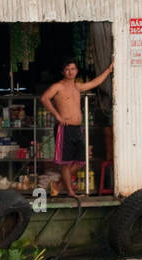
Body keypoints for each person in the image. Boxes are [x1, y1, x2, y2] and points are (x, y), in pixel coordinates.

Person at [40, 57, 113, 198]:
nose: (70, 72)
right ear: (63, 72)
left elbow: (94, 83)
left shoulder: (77, 86)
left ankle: (59, 184)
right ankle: (70, 192)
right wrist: (57, 116)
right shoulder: (58, 86)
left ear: (76, 71)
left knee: (80, 161)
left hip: (77, 129)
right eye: (67, 69)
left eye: (72, 69)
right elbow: (44, 98)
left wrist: (109, 70)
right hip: (64, 129)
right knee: (66, 163)